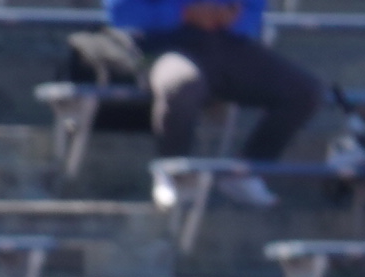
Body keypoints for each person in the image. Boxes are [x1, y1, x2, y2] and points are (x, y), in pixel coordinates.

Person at [106, 0, 330, 212]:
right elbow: (122, 13)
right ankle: (172, 173)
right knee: (181, 84)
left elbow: (253, 12)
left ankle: (246, 173)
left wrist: (230, 18)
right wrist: (183, 15)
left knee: (305, 92)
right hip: (162, 45)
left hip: (228, 44)